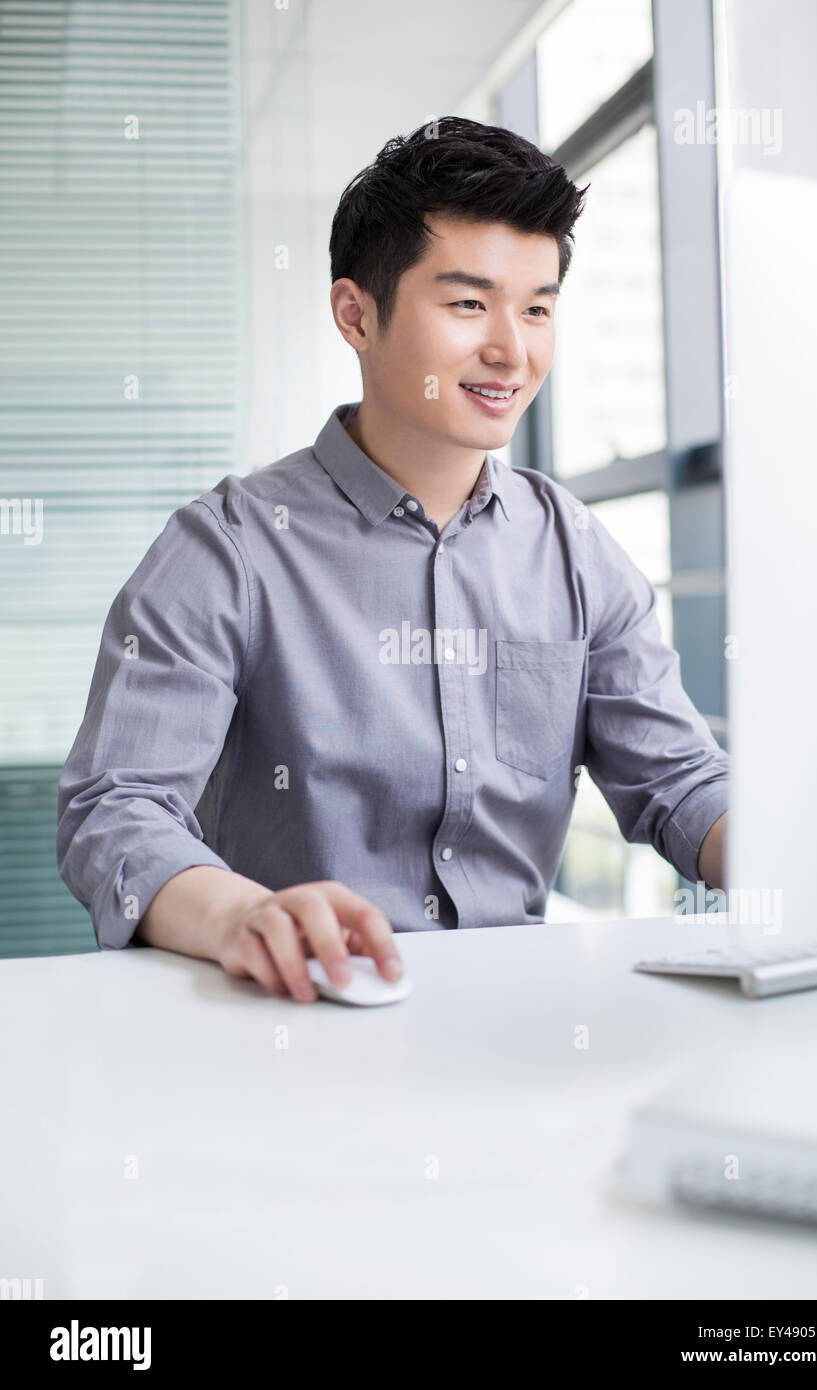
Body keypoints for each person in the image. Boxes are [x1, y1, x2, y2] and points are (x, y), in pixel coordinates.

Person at [57, 117, 729, 1003]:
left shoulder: (575, 551)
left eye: (537, 307)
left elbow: (678, 784)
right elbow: (115, 808)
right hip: (297, 1017)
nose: (512, 351)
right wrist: (238, 917)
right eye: (467, 304)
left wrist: (805, 860)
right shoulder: (227, 548)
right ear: (355, 314)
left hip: (515, 1031)